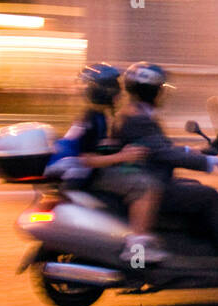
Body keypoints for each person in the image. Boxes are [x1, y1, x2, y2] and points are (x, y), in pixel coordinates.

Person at [113, 62, 218, 268]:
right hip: (152, 185)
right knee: (209, 196)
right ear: (150, 90)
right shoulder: (138, 119)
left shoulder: (135, 114)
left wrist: (196, 149)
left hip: (150, 178)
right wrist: (216, 160)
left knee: (195, 186)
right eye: (161, 89)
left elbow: (160, 147)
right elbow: (164, 153)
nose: (163, 94)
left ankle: (197, 244)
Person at [43, 63, 165, 263]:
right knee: (146, 186)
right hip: (85, 176)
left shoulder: (97, 115)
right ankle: (136, 248)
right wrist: (123, 157)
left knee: (135, 177)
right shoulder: (93, 119)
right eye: (115, 86)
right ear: (106, 90)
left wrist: (120, 152)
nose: (119, 91)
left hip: (82, 174)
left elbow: (99, 149)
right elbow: (87, 159)